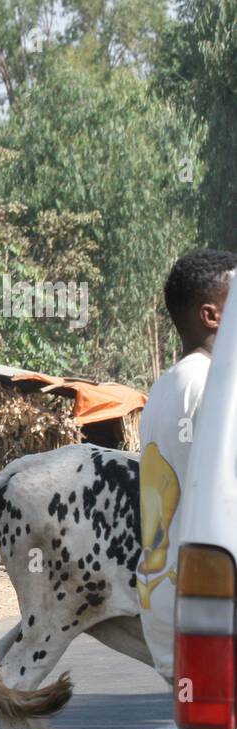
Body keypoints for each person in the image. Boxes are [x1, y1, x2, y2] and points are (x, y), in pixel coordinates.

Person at [137, 249, 237, 673]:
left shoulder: (162, 389)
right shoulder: (215, 385)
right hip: (216, 608)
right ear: (212, 315)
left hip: (166, 606)